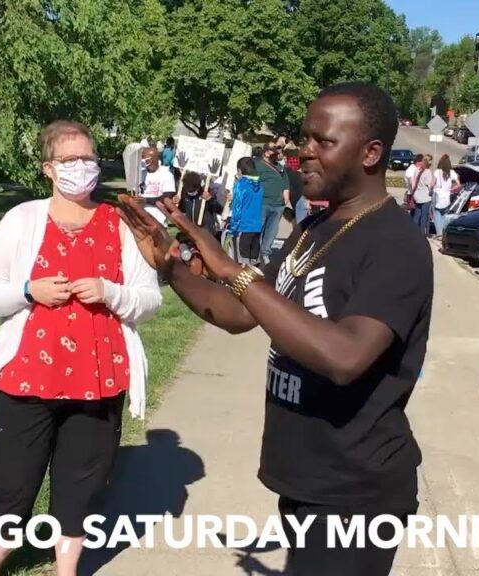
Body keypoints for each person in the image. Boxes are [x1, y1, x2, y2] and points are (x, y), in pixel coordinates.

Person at [117, 82, 433, 576]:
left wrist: (231, 271)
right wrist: (173, 265)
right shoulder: (314, 229)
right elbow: (240, 312)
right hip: (306, 479)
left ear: (371, 153)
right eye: (303, 137)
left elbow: (346, 357)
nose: (303, 151)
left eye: (322, 141)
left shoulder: (395, 244)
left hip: (355, 492)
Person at [0, 120, 162, 576]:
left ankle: (67, 568)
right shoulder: (23, 219)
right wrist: (28, 290)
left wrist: (111, 292)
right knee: (10, 480)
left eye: (89, 159)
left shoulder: (120, 224)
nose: (82, 168)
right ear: (49, 169)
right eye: (70, 160)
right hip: (28, 376)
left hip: (100, 377)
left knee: (83, 482)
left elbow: (150, 299)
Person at [254, 145, 291, 265]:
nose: (276, 154)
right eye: (273, 152)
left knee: (272, 231)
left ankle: (265, 253)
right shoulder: (256, 165)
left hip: (278, 204)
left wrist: (286, 193)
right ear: (266, 153)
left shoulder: (279, 166)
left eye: (277, 152)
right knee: (258, 229)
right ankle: (255, 254)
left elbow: (285, 182)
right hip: (262, 202)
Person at [226, 157, 264, 265]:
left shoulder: (241, 185)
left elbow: (237, 209)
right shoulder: (259, 184)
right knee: (254, 260)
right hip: (257, 226)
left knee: (242, 262)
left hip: (244, 227)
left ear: (239, 171)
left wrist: (233, 228)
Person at [178, 171, 224, 238]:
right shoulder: (184, 194)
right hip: (191, 230)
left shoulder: (208, 192)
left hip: (207, 231)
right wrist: (177, 202)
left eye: (193, 191)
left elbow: (220, 210)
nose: (191, 193)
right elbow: (182, 210)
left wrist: (210, 200)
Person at [139, 146, 176, 225]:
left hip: (159, 220)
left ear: (156, 159)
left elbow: (166, 198)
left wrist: (146, 200)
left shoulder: (167, 175)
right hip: (140, 219)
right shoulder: (139, 174)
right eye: (144, 160)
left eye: (149, 160)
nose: (148, 163)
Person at [431, 154, 459, 239]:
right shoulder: (452, 173)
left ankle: (439, 234)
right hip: (447, 195)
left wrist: (431, 188)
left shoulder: (437, 172)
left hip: (438, 194)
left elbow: (432, 184)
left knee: (436, 214)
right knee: (443, 215)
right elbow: (458, 184)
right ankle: (443, 233)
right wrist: (451, 189)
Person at [409, 155, 434, 235]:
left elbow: (413, 181)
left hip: (417, 195)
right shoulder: (428, 172)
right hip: (425, 197)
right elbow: (429, 185)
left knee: (417, 214)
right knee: (424, 216)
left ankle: (413, 232)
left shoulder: (417, 170)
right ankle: (422, 233)